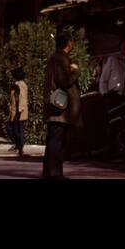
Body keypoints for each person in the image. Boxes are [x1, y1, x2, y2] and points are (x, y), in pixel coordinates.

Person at [42, 33, 79, 178]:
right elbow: (64, 81)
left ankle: (50, 172)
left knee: (53, 139)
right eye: (72, 42)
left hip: (56, 107)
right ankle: (54, 173)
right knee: (56, 141)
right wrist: (76, 71)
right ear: (69, 43)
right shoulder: (60, 58)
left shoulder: (54, 58)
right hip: (60, 109)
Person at [98, 37, 125, 157]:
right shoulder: (113, 59)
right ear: (120, 47)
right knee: (113, 123)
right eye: (124, 46)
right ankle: (110, 150)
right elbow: (103, 79)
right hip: (114, 96)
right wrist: (105, 94)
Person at [7, 67, 29, 157]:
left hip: (18, 112)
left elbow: (22, 98)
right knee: (11, 128)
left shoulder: (20, 85)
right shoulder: (17, 84)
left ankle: (20, 148)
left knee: (18, 130)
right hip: (14, 111)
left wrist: (20, 110)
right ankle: (18, 146)